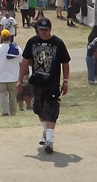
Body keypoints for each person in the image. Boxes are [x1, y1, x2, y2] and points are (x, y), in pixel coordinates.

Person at [17, 18, 71, 154]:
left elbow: (65, 63)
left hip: (52, 84)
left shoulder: (58, 43)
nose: (43, 32)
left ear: (50, 29)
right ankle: (46, 132)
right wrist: (20, 79)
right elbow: (25, 61)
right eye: (41, 29)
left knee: (51, 111)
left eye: (45, 30)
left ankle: (49, 142)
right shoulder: (32, 42)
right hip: (37, 82)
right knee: (39, 110)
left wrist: (65, 82)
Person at [0, 29, 22, 116]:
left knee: (3, 95)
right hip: (13, 76)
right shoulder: (16, 48)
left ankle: (5, 111)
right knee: (13, 95)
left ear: (1, 37)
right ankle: (13, 112)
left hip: (1, 77)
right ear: (10, 37)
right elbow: (21, 60)